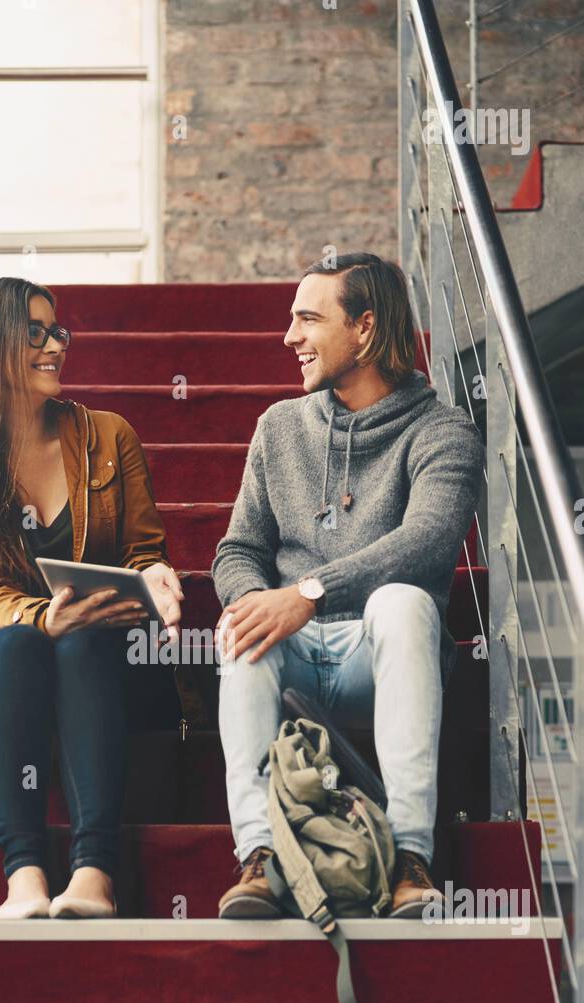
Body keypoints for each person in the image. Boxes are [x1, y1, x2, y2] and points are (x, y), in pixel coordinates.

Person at [212, 252, 485, 920]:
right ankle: (260, 856)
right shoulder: (278, 427)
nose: (289, 338)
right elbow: (238, 548)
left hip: (383, 646)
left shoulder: (441, 430)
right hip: (291, 652)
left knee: (403, 600)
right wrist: (255, 600)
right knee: (241, 623)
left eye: (307, 319)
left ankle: (409, 858)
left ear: (364, 328)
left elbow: (425, 543)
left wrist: (304, 593)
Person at [0, 277, 183, 920]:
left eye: (58, 331)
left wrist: (157, 574)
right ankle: (24, 875)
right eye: (36, 332)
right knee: (21, 642)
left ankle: (94, 874)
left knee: (82, 638)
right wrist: (40, 617)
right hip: (10, 664)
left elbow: (144, 551)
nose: (56, 344)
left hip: (106, 656)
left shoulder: (110, 436)